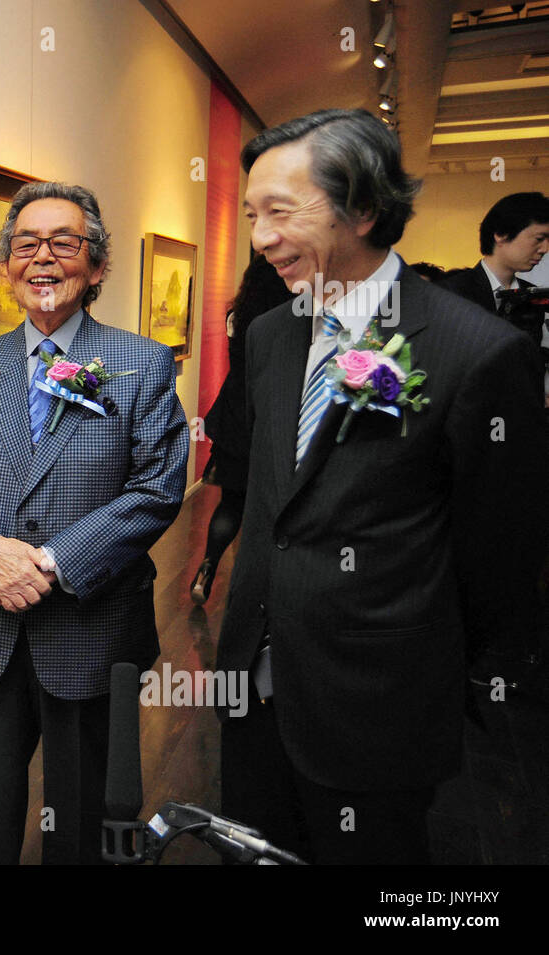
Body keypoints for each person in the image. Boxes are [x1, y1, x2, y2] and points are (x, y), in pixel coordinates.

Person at [216, 109, 549, 865]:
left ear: (363, 207)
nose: (260, 237)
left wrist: (421, 661)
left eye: (280, 211)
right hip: (251, 686)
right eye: (250, 215)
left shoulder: (478, 352)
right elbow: (277, 505)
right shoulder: (271, 336)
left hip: (374, 703)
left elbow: (498, 554)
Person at [0, 181, 187, 864]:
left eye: (64, 242)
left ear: (96, 266)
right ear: (7, 267)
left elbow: (156, 488)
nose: (43, 257)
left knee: (80, 829)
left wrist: (47, 560)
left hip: (88, 627)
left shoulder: (141, 364)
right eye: (25, 244)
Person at [191, 254, 293, 604]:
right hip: (273, 415)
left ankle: (207, 566)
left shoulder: (237, 315)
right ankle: (253, 590)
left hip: (235, 414)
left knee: (231, 502)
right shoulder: (291, 318)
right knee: (269, 508)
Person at [440, 192, 549, 404]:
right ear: (501, 234)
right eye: (539, 239)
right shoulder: (452, 292)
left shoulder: (534, 296)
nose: (545, 249)